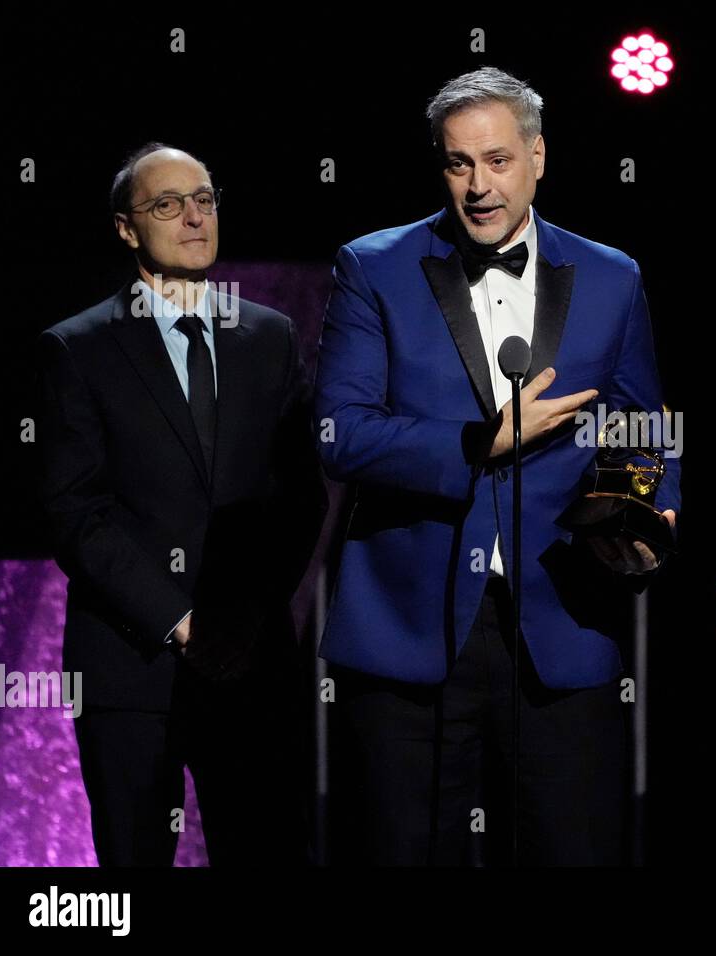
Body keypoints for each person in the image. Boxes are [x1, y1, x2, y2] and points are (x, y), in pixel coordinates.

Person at [315, 67, 681, 865]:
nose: (478, 187)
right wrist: (481, 442)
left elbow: (642, 422)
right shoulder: (373, 266)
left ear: (538, 156)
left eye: (498, 161)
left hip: (562, 619)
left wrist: (650, 507)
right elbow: (339, 434)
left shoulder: (613, 275)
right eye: (457, 164)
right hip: (409, 630)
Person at [36, 143, 328, 865]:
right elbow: (76, 514)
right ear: (127, 229)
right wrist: (180, 620)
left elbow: (299, 497)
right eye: (167, 204)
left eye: (204, 199)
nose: (195, 217)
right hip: (131, 668)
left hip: (250, 665)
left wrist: (243, 618)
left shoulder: (268, 334)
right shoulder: (78, 347)